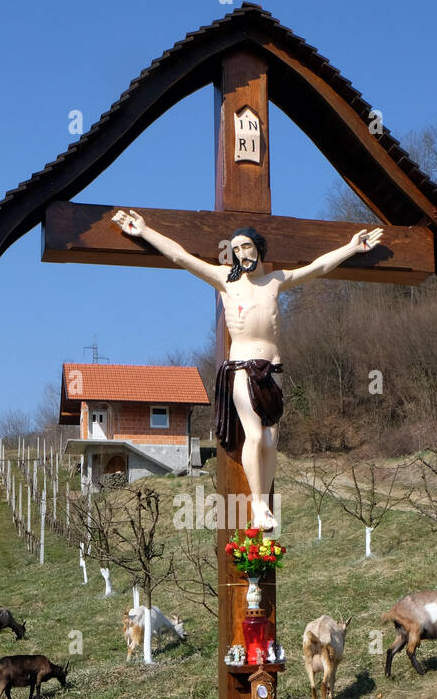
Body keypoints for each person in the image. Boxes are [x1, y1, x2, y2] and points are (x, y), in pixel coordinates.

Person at [112, 210, 383, 530]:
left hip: (274, 368)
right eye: (237, 248)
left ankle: (264, 502)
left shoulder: (275, 281)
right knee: (254, 435)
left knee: (271, 440)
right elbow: (180, 256)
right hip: (241, 368)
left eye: (247, 247)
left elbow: (318, 267)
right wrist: (145, 231)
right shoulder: (225, 282)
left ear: (258, 248)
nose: (242, 254)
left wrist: (352, 248)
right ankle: (257, 504)